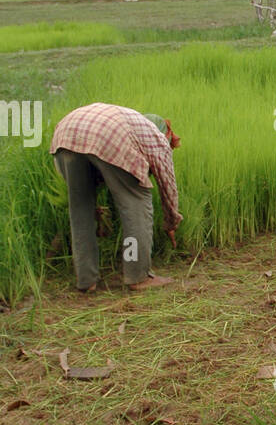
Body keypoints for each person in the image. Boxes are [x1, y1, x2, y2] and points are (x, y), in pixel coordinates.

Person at [50, 103, 182, 293]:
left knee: (80, 209)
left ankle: (86, 280)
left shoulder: (134, 125)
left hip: (66, 132)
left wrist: (94, 205)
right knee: (135, 206)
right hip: (108, 134)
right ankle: (137, 276)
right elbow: (168, 186)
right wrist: (172, 221)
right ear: (167, 135)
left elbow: (86, 179)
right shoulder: (157, 137)